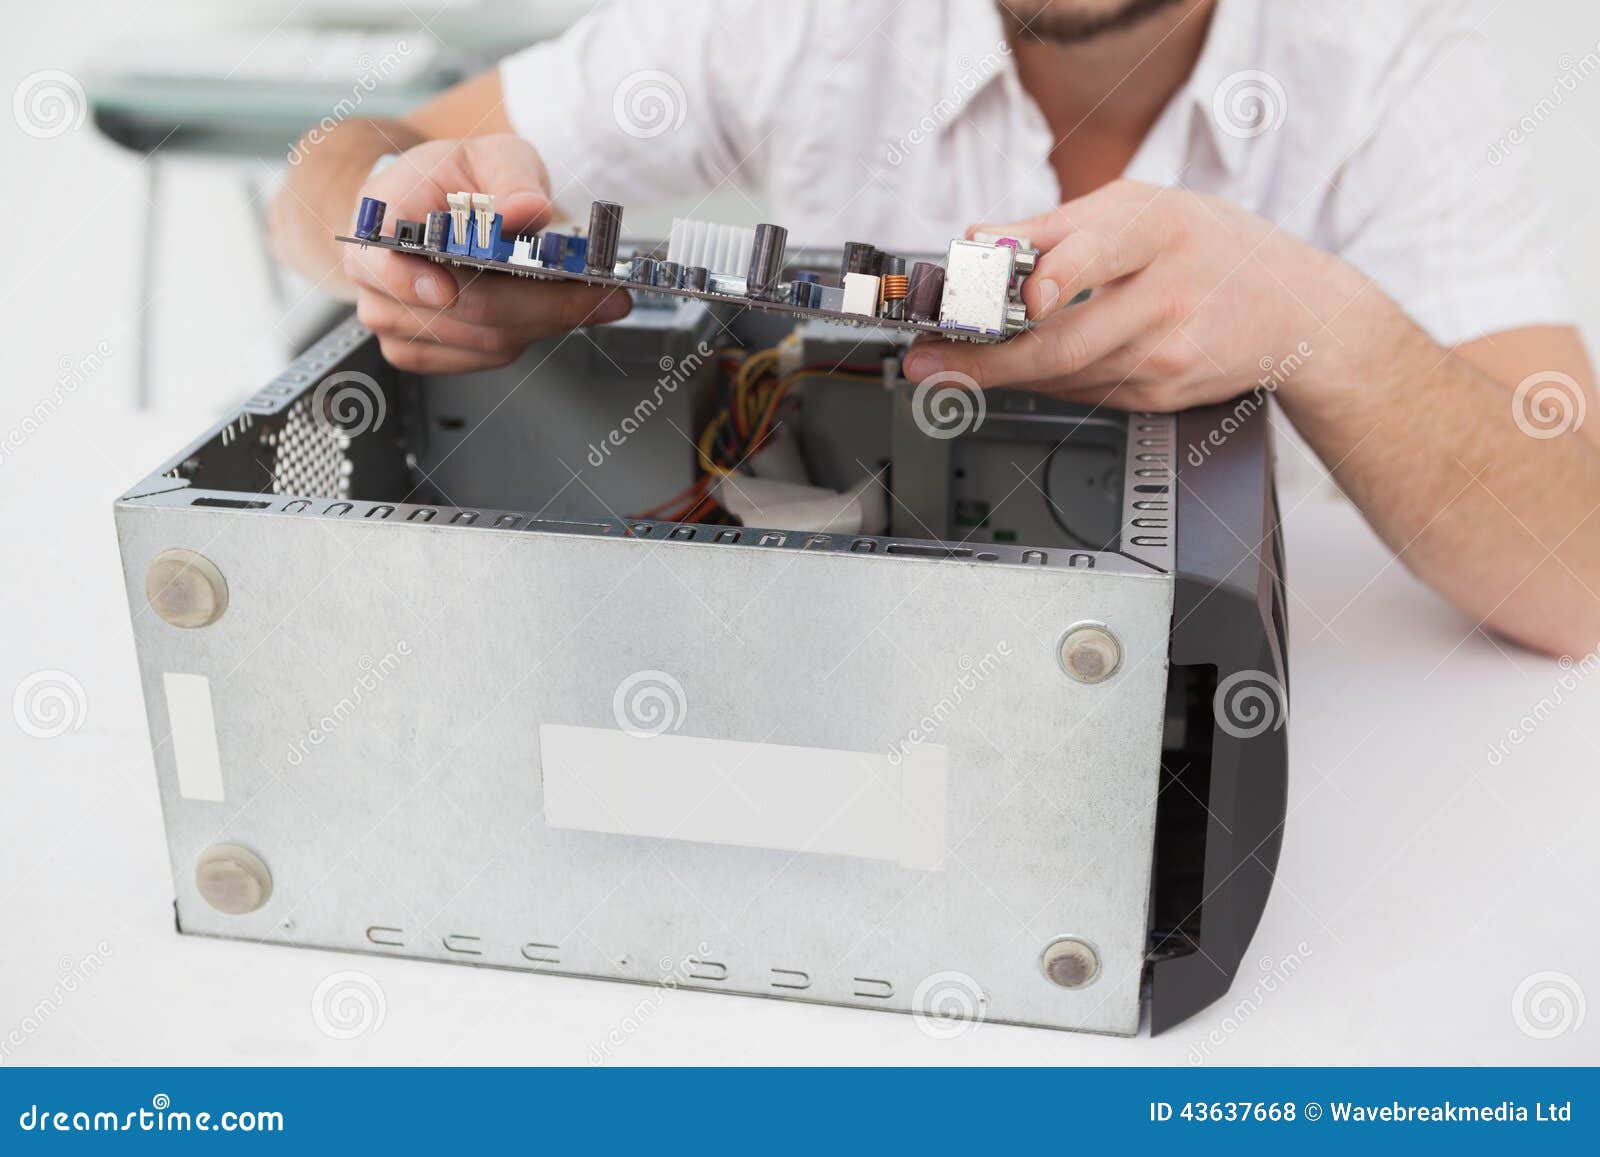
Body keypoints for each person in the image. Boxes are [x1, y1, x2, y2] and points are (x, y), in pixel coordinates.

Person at [270, 0, 1600, 657]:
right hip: (817, 657)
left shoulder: (1394, 57)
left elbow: (1573, 575)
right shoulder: (797, 20)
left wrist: (1315, 321)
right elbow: (341, 155)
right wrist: (380, 211)